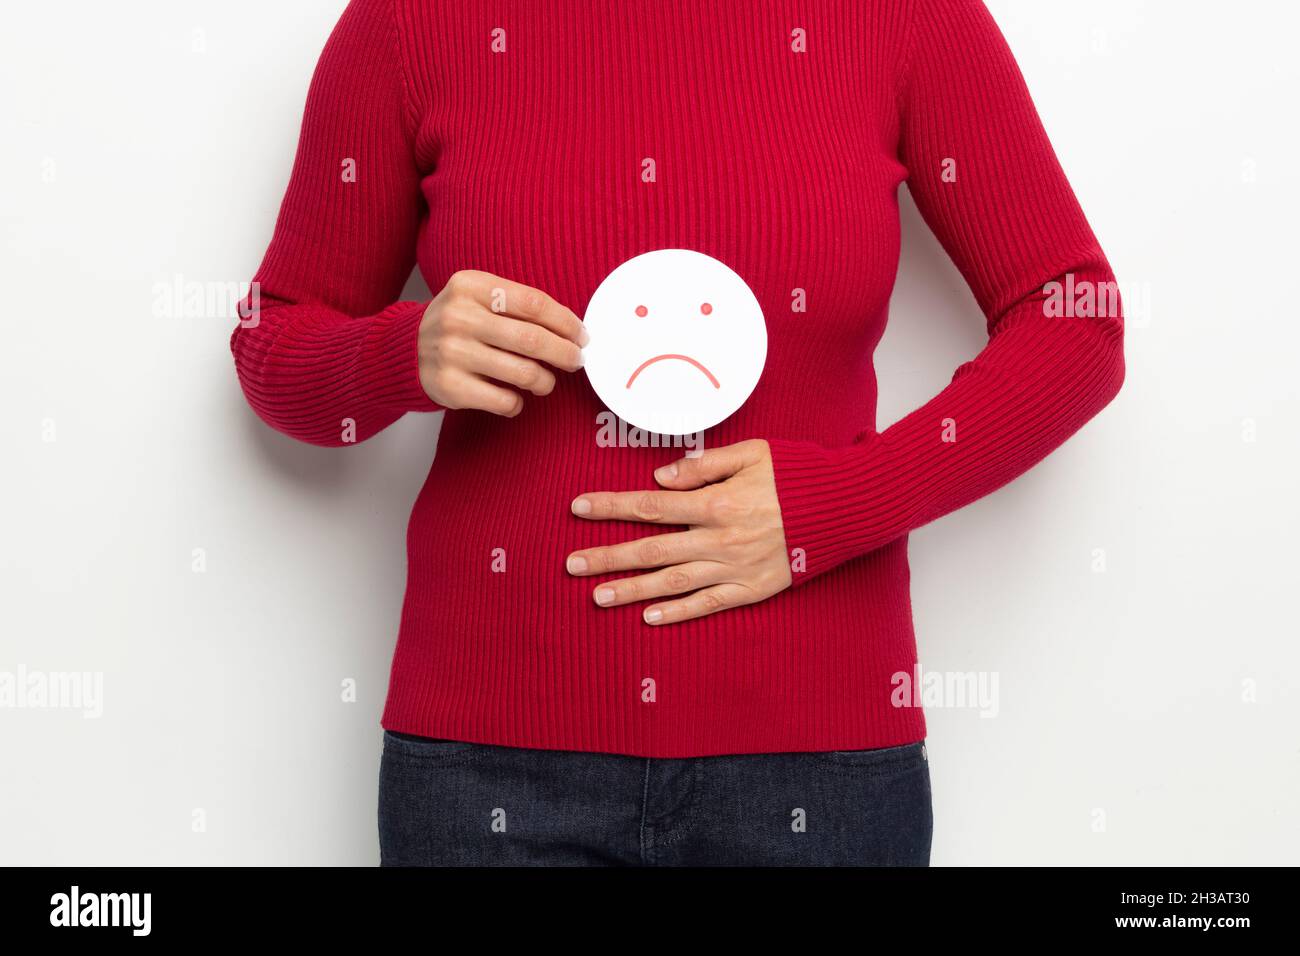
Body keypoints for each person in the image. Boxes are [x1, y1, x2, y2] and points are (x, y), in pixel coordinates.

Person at [231, 0, 1124, 866]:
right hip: (485, 769)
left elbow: (1076, 322)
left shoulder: (905, 15)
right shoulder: (411, 21)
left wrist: (834, 506)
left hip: (817, 765)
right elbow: (273, 346)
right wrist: (404, 352)